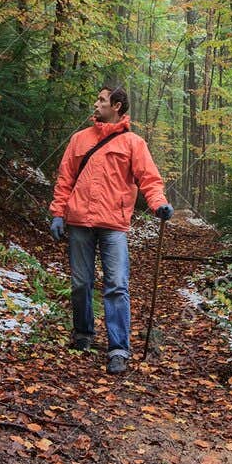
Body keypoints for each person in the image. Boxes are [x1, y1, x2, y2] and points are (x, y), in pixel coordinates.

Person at [49, 85, 173, 373]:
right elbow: (64, 179)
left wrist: (159, 205)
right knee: (81, 283)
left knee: (116, 285)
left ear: (116, 106)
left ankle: (118, 348)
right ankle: (83, 335)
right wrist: (58, 213)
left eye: (101, 100)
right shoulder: (79, 139)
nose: (96, 104)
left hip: (114, 225)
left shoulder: (134, 144)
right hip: (79, 221)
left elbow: (150, 180)